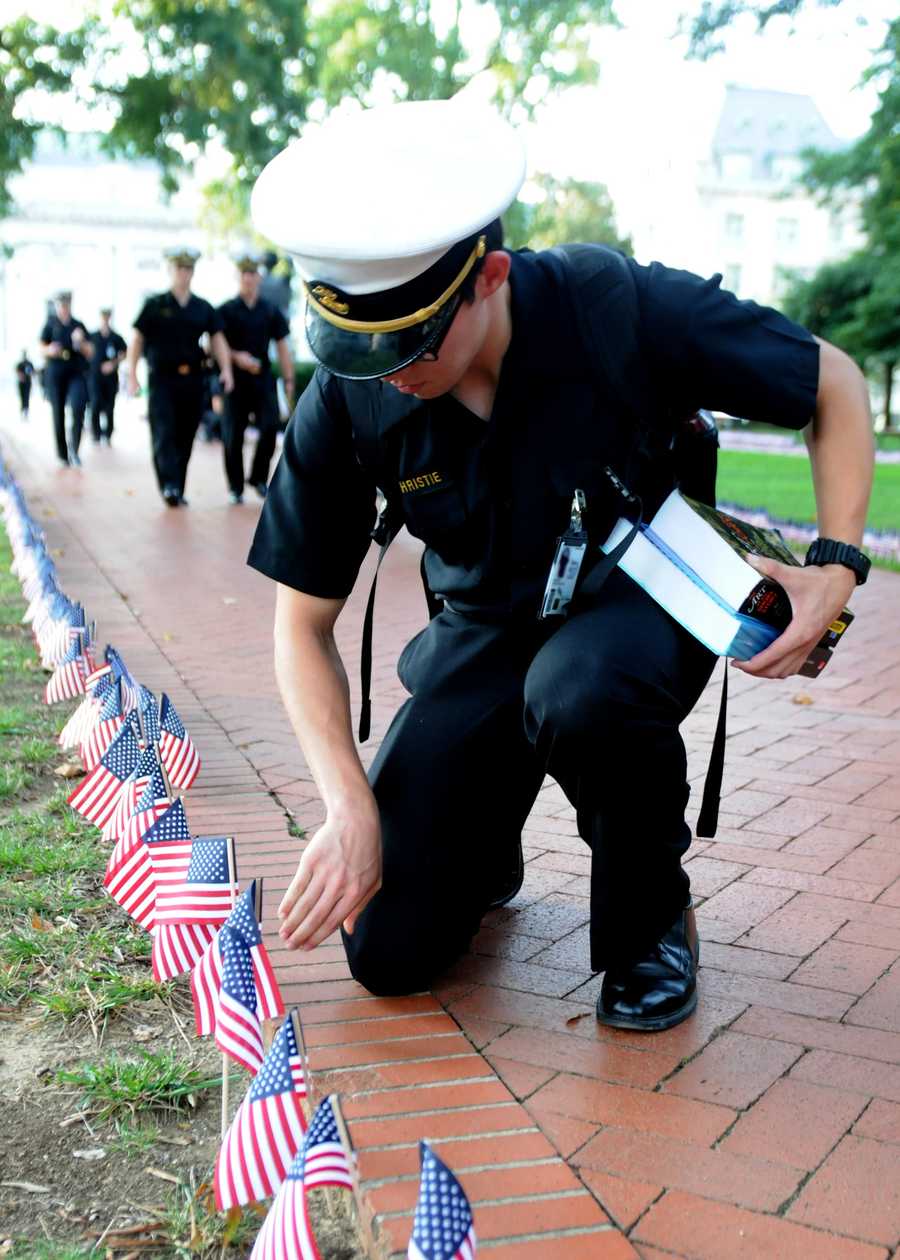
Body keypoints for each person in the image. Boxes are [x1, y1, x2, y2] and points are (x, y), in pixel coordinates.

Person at [245, 101, 874, 1032]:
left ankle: (649, 920)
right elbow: (300, 627)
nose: (389, 372)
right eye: (360, 350)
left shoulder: (614, 307)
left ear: (489, 277)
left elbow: (835, 382)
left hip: (632, 607)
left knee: (579, 688)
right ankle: (484, 836)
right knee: (388, 952)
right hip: (485, 629)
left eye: (412, 343)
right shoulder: (354, 395)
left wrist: (838, 561)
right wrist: (349, 807)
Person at [126, 248, 233, 506]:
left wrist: (227, 369)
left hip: (193, 380)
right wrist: (131, 374)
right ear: (169, 271)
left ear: (192, 272)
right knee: (164, 432)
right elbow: (137, 339)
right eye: (178, 268)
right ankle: (169, 485)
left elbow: (217, 339)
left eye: (187, 269)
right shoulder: (155, 305)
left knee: (186, 433)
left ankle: (177, 487)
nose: (183, 274)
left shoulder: (201, 307)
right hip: (162, 379)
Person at [218, 252, 294, 504]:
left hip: (262, 378)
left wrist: (289, 378)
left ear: (259, 277)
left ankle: (259, 478)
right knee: (232, 435)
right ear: (237, 277)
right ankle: (235, 486)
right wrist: (236, 356)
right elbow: (214, 344)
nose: (248, 278)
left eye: (252, 273)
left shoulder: (270, 311)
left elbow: (283, 345)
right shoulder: (226, 311)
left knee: (271, 426)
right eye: (243, 273)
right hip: (234, 380)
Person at [39, 290, 93, 466]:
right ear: (57, 306)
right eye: (61, 304)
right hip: (55, 371)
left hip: (75, 371)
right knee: (58, 412)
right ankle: (63, 455)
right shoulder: (50, 324)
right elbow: (41, 347)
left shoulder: (78, 325)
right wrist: (49, 350)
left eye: (66, 304)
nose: (64, 307)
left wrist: (81, 342)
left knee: (78, 406)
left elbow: (91, 352)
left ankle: (74, 450)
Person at [88, 308, 127, 445]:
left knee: (110, 406)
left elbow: (124, 353)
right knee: (95, 403)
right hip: (95, 376)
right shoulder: (92, 336)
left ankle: (108, 434)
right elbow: (85, 350)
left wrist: (113, 364)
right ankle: (96, 433)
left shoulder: (116, 337)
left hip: (110, 377)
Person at [15, 351, 34, 419]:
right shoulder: (20, 364)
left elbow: (32, 372)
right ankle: (22, 409)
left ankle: (26, 411)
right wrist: (21, 376)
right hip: (21, 383)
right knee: (22, 397)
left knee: (27, 396)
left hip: (28, 382)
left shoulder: (29, 363)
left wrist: (29, 373)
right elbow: (17, 371)